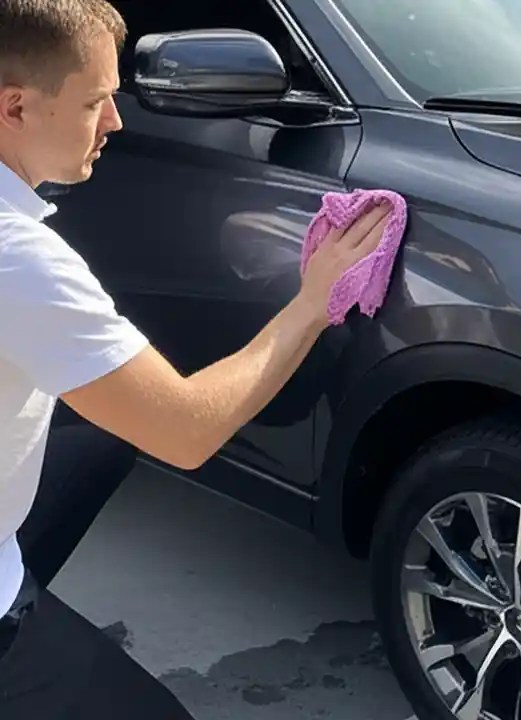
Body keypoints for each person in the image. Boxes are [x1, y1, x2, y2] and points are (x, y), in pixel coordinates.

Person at [0, 1, 391, 717]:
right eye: (94, 101)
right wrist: (314, 301)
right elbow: (185, 433)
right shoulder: (17, 259)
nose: (116, 121)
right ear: (15, 107)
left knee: (99, 441)